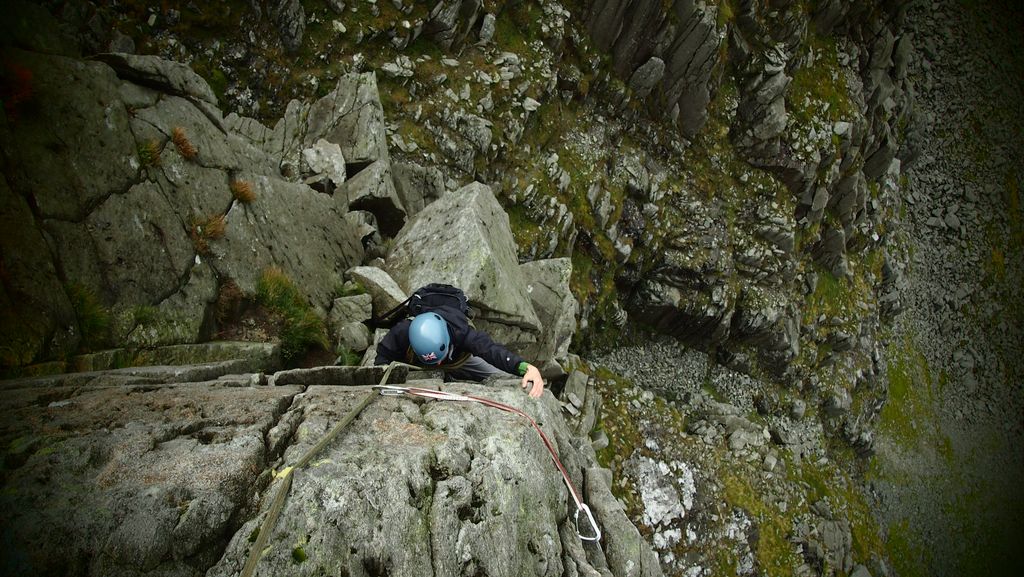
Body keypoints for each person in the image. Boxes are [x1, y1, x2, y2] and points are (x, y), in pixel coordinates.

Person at [374, 302, 545, 398]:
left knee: (500, 375)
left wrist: (526, 368)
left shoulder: (462, 333)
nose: (439, 364)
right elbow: (383, 356)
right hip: (420, 362)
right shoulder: (403, 332)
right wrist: (382, 377)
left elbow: (491, 351)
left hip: (458, 359)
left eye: (439, 360)